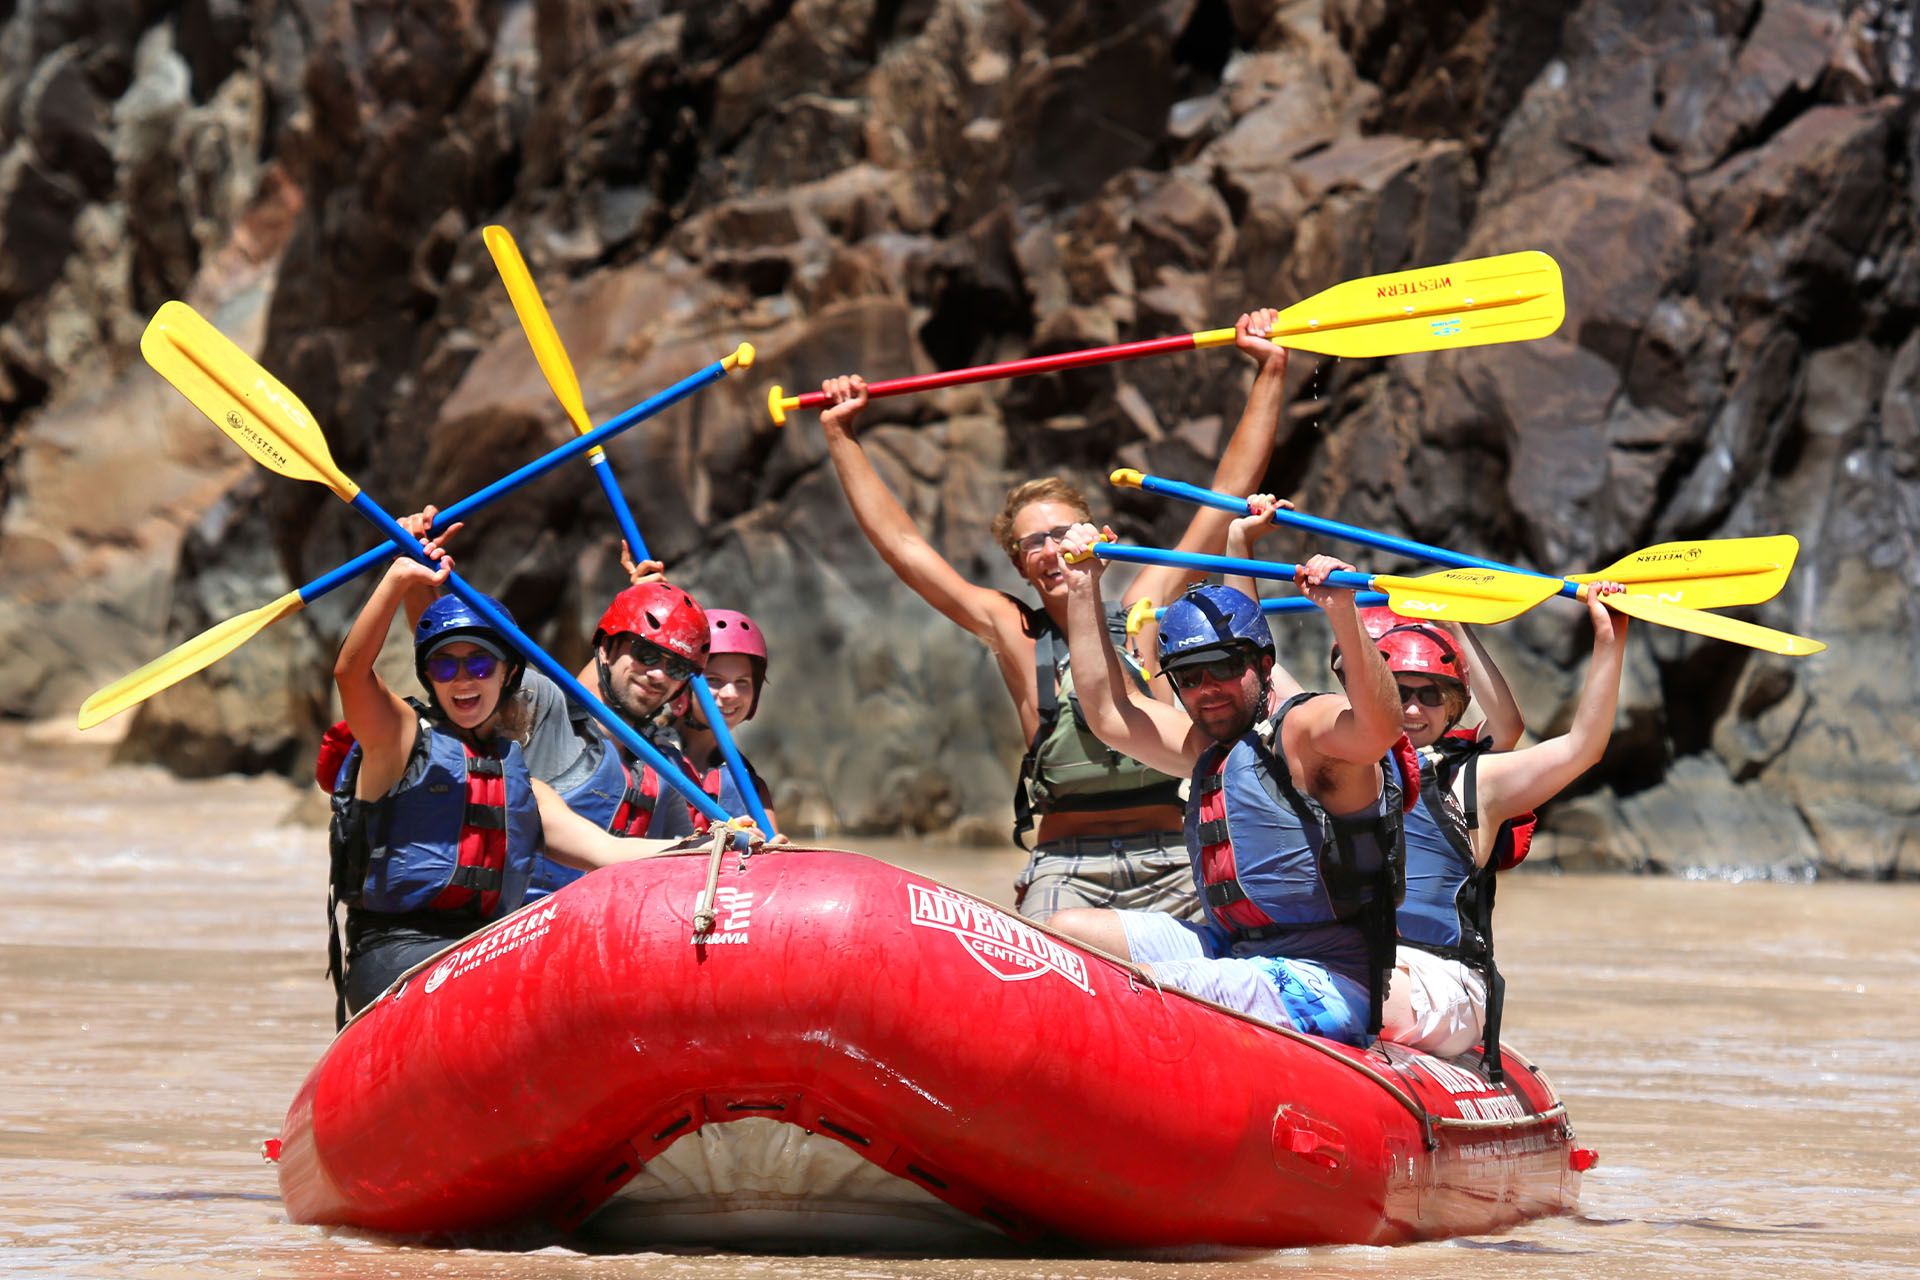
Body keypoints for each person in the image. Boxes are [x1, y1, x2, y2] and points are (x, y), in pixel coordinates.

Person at [817, 311, 1292, 923]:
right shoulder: (1013, 631)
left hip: (1176, 856)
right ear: (1019, 567)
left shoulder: (1146, 609)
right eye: (1031, 544)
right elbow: (906, 550)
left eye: (1062, 533)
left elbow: (1226, 495)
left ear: (1102, 537)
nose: (1050, 550)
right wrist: (841, 435)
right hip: (1066, 867)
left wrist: (1271, 368)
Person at [324, 532, 746, 1022]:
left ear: (506, 676)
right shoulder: (398, 740)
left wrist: (717, 841)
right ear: (428, 673)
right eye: (445, 665)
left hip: (486, 945)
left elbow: (605, 852)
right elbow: (352, 674)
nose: (464, 678)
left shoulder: (526, 785)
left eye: (481, 664)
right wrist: (401, 577)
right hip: (397, 952)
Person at [1046, 520, 1412, 1047]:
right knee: (1066, 932)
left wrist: (1341, 613)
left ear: (1263, 665)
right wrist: (1083, 587)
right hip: (1236, 950)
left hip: (1329, 975)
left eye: (1221, 668)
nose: (1206, 689)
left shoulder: (1305, 733)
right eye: (1189, 679)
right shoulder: (1206, 748)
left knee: (1146, 990)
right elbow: (1107, 713)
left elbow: (1380, 728)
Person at [1331, 590, 1627, 1066]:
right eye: (1400, 692)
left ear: (1451, 708)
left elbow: (1581, 747)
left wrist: (1608, 639)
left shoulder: (1474, 780)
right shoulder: (1341, 766)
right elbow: (1263, 696)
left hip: (1441, 977)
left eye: (1429, 696)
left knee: (1315, 986)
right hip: (1365, 963)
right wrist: (1243, 547)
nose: (1411, 709)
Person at [672, 608, 777, 829]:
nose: (731, 694)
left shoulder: (751, 786)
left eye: (742, 682)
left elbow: (777, 854)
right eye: (714, 679)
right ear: (682, 686)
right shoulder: (637, 753)